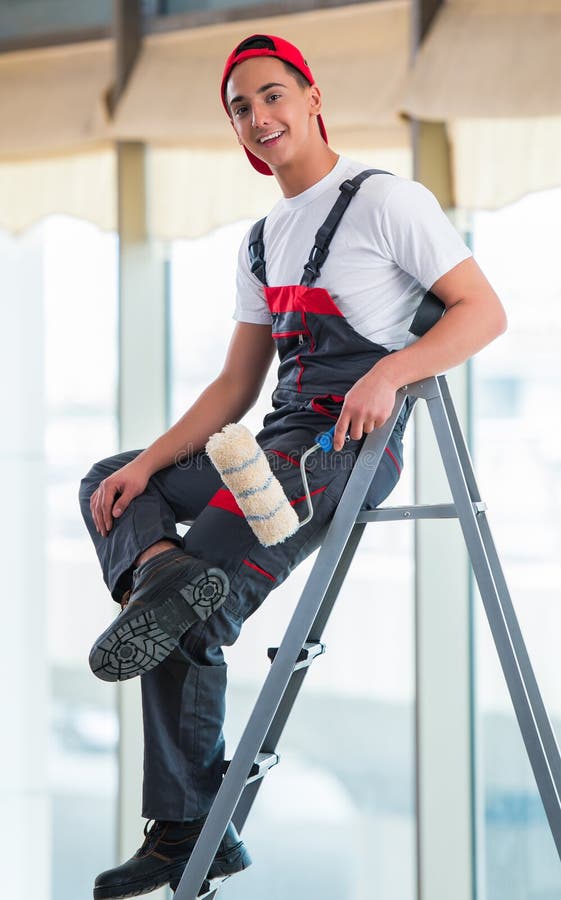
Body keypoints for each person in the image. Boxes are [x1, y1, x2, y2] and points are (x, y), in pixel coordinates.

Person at [79, 33, 507, 899]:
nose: (259, 116)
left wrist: (390, 371)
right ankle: (160, 574)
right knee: (110, 481)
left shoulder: (387, 201)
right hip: (266, 442)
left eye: (272, 95)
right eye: (241, 106)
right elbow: (236, 383)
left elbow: (482, 312)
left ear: (311, 97)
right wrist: (151, 469)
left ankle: (186, 827)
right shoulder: (263, 237)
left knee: (184, 616)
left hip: (339, 451)